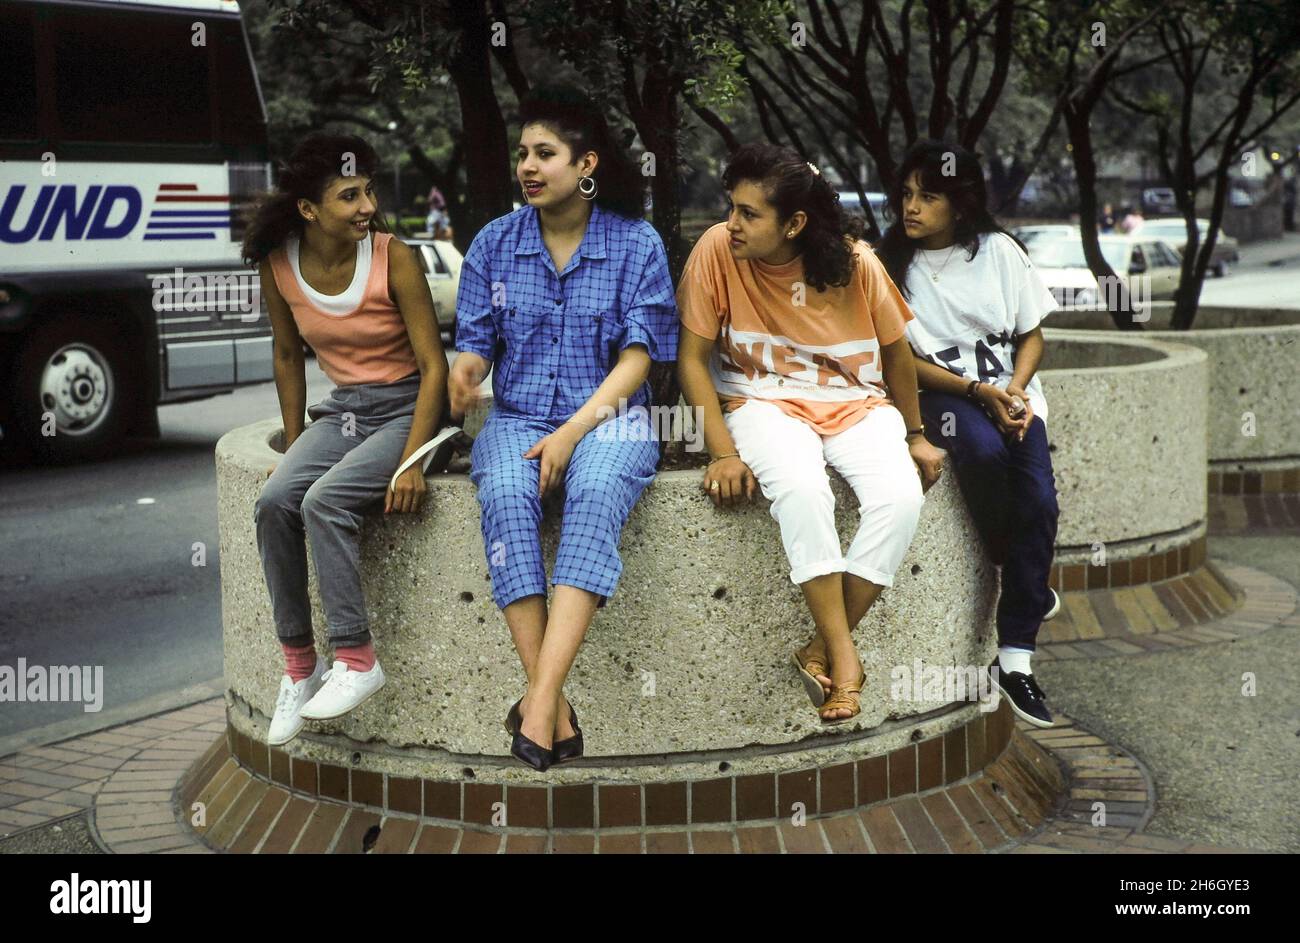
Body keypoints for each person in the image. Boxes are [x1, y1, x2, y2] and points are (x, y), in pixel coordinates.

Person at [448, 84, 677, 770]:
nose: (528, 165)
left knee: (597, 492)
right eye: (523, 152)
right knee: (506, 499)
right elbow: (476, 341)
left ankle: (538, 701)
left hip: (610, 419)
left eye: (545, 153)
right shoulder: (494, 243)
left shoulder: (637, 244)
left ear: (587, 165)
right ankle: (556, 707)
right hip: (516, 417)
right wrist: (466, 369)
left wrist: (573, 433)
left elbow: (638, 360)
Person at [676, 143, 942, 725]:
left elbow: (895, 357)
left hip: (854, 402)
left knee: (899, 498)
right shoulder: (716, 251)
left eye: (750, 214)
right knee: (801, 490)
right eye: (732, 208)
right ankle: (846, 660)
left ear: (795, 223)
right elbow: (692, 360)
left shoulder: (856, 262)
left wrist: (916, 435)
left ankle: (819, 647)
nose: (732, 223)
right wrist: (722, 452)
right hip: (761, 400)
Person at [242, 133, 450, 745]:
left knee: (324, 501)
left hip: (412, 407)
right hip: (344, 412)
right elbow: (286, 353)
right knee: (274, 501)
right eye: (349, 195)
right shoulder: (278, 262)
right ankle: (300, 669)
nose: (367, 205)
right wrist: (293, 432)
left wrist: (413, 459)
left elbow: (434, 366)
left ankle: (357, 659)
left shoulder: (394, 257)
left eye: (369, 191)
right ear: (309, 209)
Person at [876, 139, 1061, 728]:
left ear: (959, 204)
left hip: (1012, 397)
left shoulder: (1001, 251)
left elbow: (1031, 335)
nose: (911, 207)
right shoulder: (888, 266)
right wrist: (980, 394)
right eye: (906, 195)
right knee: (979, 453)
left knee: (1041, 500)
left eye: (927, 197)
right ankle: (1025, 572)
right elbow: (899, 360)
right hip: (944, 396)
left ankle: (1017, 662)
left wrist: (1016, 390)